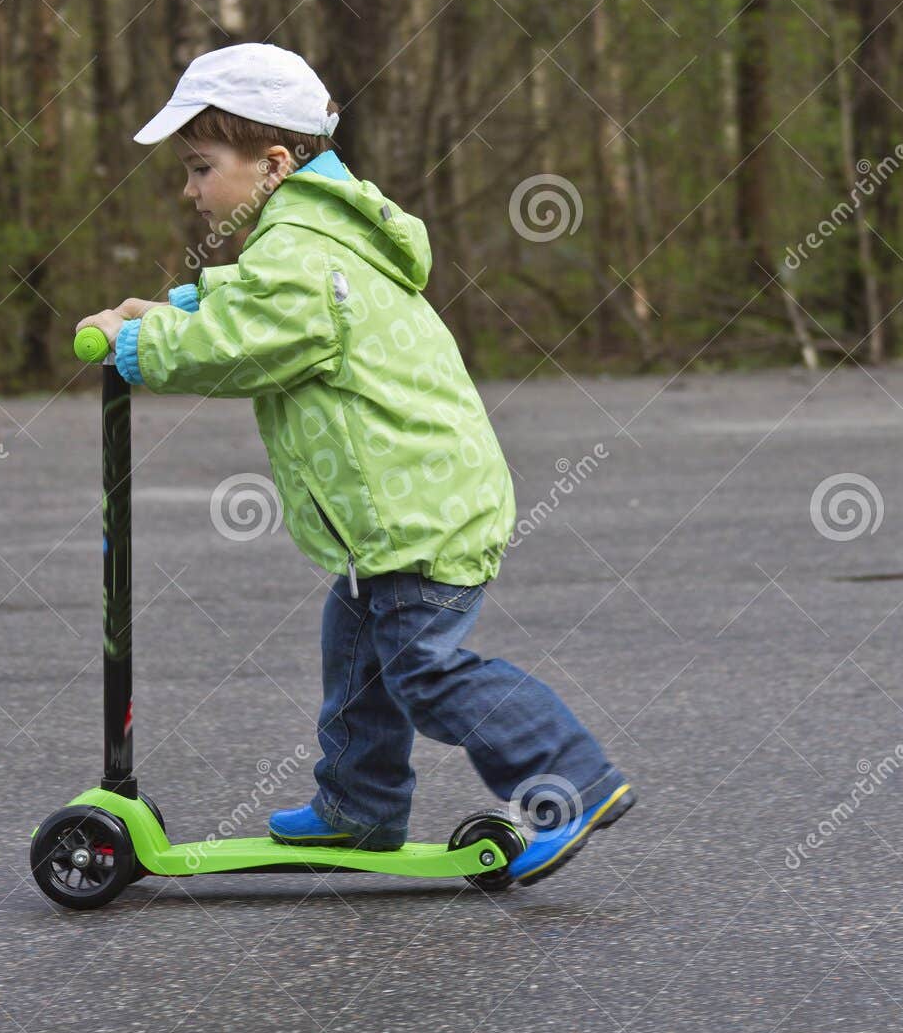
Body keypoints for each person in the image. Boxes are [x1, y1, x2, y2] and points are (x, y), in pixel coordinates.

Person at [76, 43, 634, 886]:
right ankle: (359, 807)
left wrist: (142, 344)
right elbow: (270, 305)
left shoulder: (301, 248)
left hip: (411, 515)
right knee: (357, 660)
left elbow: (254, 343)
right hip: (391, 513)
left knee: (424, 671)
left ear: (271, 163)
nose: (189, 191)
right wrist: (186, 302)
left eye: (198, 168)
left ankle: (569, 783)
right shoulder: (318, 230)